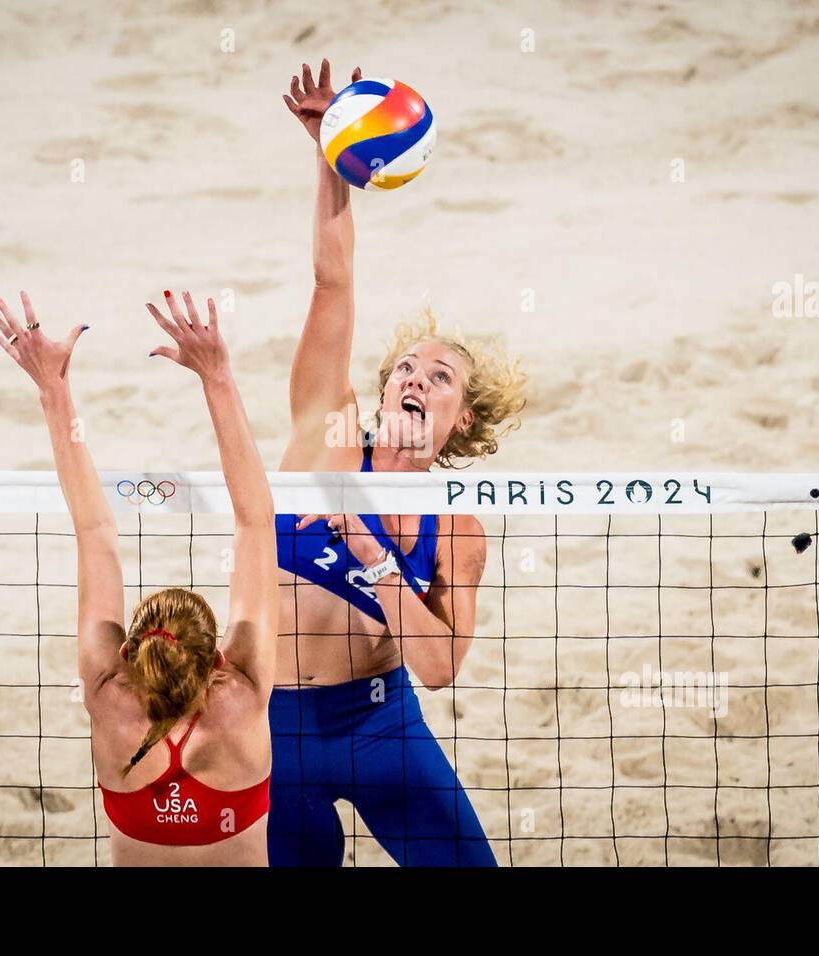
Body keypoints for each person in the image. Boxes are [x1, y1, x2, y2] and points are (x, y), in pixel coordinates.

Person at [270, 60, 528, 866]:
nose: (414, 377)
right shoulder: (328, 435)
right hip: (272, 731)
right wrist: (333, 159)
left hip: (383, 724)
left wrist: (375, 555)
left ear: (462, 420)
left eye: (439, 377)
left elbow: (442, 667)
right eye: (406, 368)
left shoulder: (456, 528)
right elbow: (331, 283)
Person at [0, 289, 277, 865]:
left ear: (126, 651)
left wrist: (53, 389)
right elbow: (256, 521)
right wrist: (217, 376)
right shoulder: (240, 700)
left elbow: (95, 529)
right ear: (217, 658)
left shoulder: (111, 702)